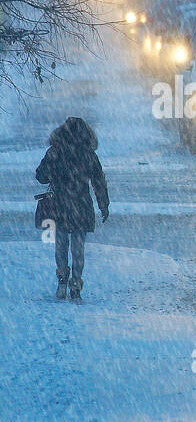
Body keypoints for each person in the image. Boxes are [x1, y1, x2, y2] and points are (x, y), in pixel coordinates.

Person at [35, 116, 109, 302]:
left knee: (60, 246)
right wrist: (104, 205)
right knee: (78, 249)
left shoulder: (55, 151)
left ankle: (62, 279)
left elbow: (41, 176)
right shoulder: (89, 154)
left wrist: (55, 173)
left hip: (59, 205)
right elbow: (98, 182)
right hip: (81, 206)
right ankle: (75, 284)